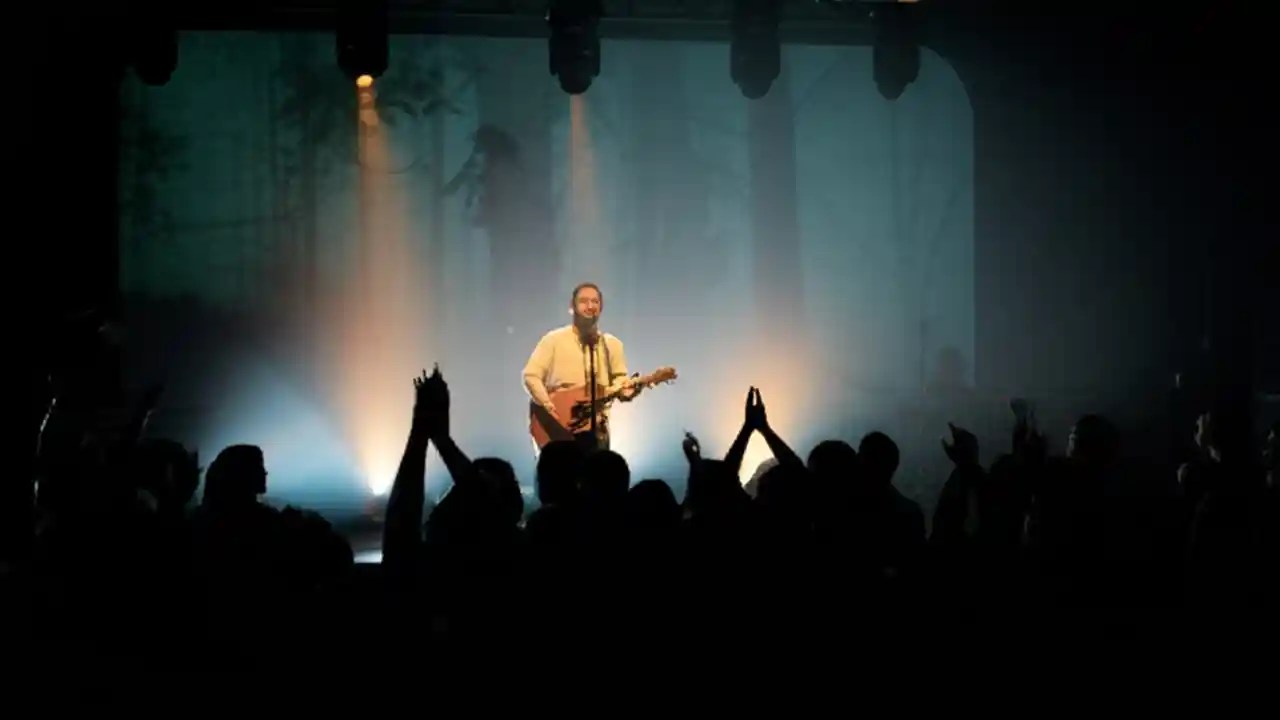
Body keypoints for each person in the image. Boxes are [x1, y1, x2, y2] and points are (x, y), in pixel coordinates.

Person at [523, 282, 638, 452]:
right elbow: (531, 376)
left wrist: (629, 390)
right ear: (572, 306)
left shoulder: (612, 345)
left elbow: (620, 383)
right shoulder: (554, 340)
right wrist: (549, 406)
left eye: (595, 302)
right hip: (556, 428)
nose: (590, 306)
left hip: (596, 428)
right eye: (584, 301)